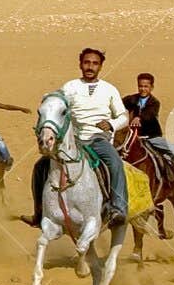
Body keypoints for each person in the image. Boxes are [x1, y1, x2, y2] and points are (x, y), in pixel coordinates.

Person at [24, 47, 129, 229]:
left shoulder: (109, 89)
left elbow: (124, 116)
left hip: (98, 139)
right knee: (40, 166)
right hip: (74, 140)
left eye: (95, 63)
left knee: (115, 162)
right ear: (80, 64)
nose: (90, 66)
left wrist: (111, 124)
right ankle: (39, 212)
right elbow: (57, 106)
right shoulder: (70, 87)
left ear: (101, 66)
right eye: (87, 62)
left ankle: (118, 207)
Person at [122, 72, 174, 190]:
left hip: (151, 137)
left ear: (151, 87)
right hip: (132, 138)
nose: (142, 89)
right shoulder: (131, 99)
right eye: (140, 86)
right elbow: (118, 105)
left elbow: (150, 114)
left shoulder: (154, 102)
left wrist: (139, 117)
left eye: (146, 86)